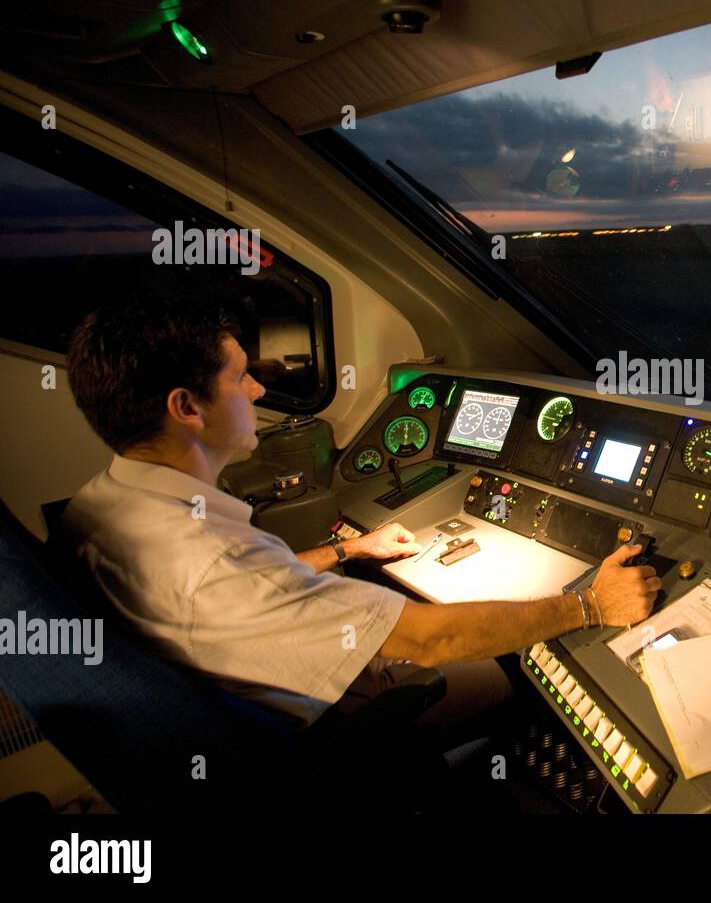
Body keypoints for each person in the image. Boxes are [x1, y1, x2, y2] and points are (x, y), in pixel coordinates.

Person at [55, 290, 661, 743]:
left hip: (232, 706)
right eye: (240, 378)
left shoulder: (102, 503)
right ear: (186, 407)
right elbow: (432, 638)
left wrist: (349, 551)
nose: (258, 393)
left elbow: (249, 590)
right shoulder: (211, 558)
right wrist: (589, 606)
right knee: (504, 675)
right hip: (323, 728)